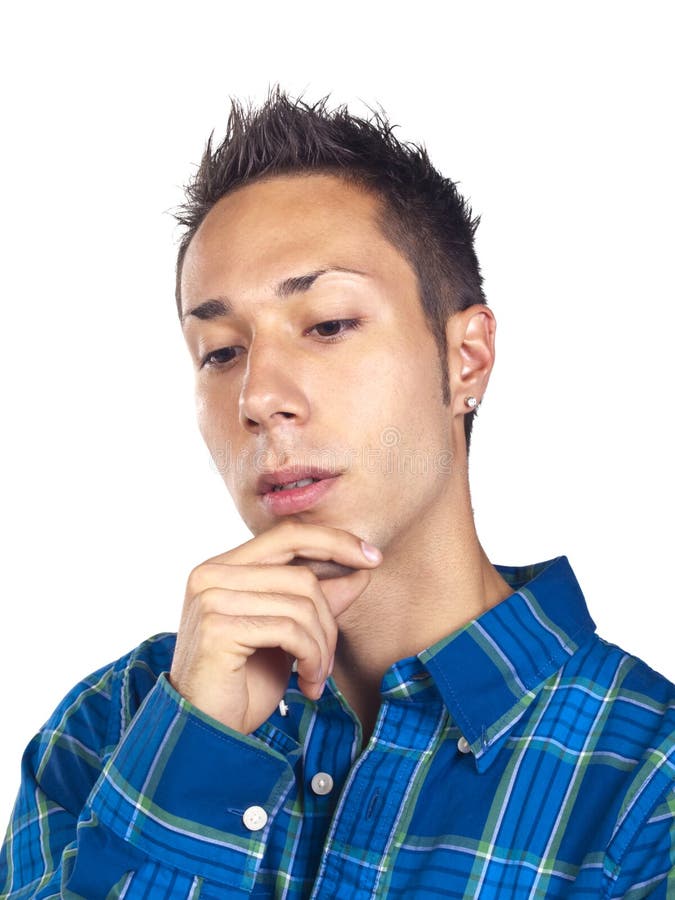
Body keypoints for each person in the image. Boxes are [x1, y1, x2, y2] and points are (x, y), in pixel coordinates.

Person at [1, 89, 673, 900]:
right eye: (218, 352)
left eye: (324, 325)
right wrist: (195, 757)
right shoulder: (110, 728)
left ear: (465, 360)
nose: (258, 396)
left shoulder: (645, 781)